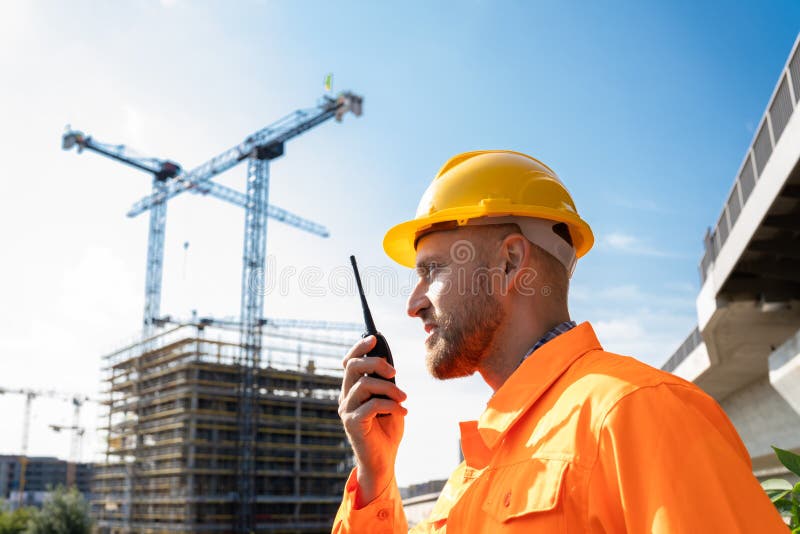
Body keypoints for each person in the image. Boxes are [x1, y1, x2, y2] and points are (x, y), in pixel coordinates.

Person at [332, 150, 786, 532]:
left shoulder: (639, 412)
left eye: (432, 271)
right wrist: (376, 475)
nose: (413, 304)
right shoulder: (470, 476)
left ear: (509, 263)